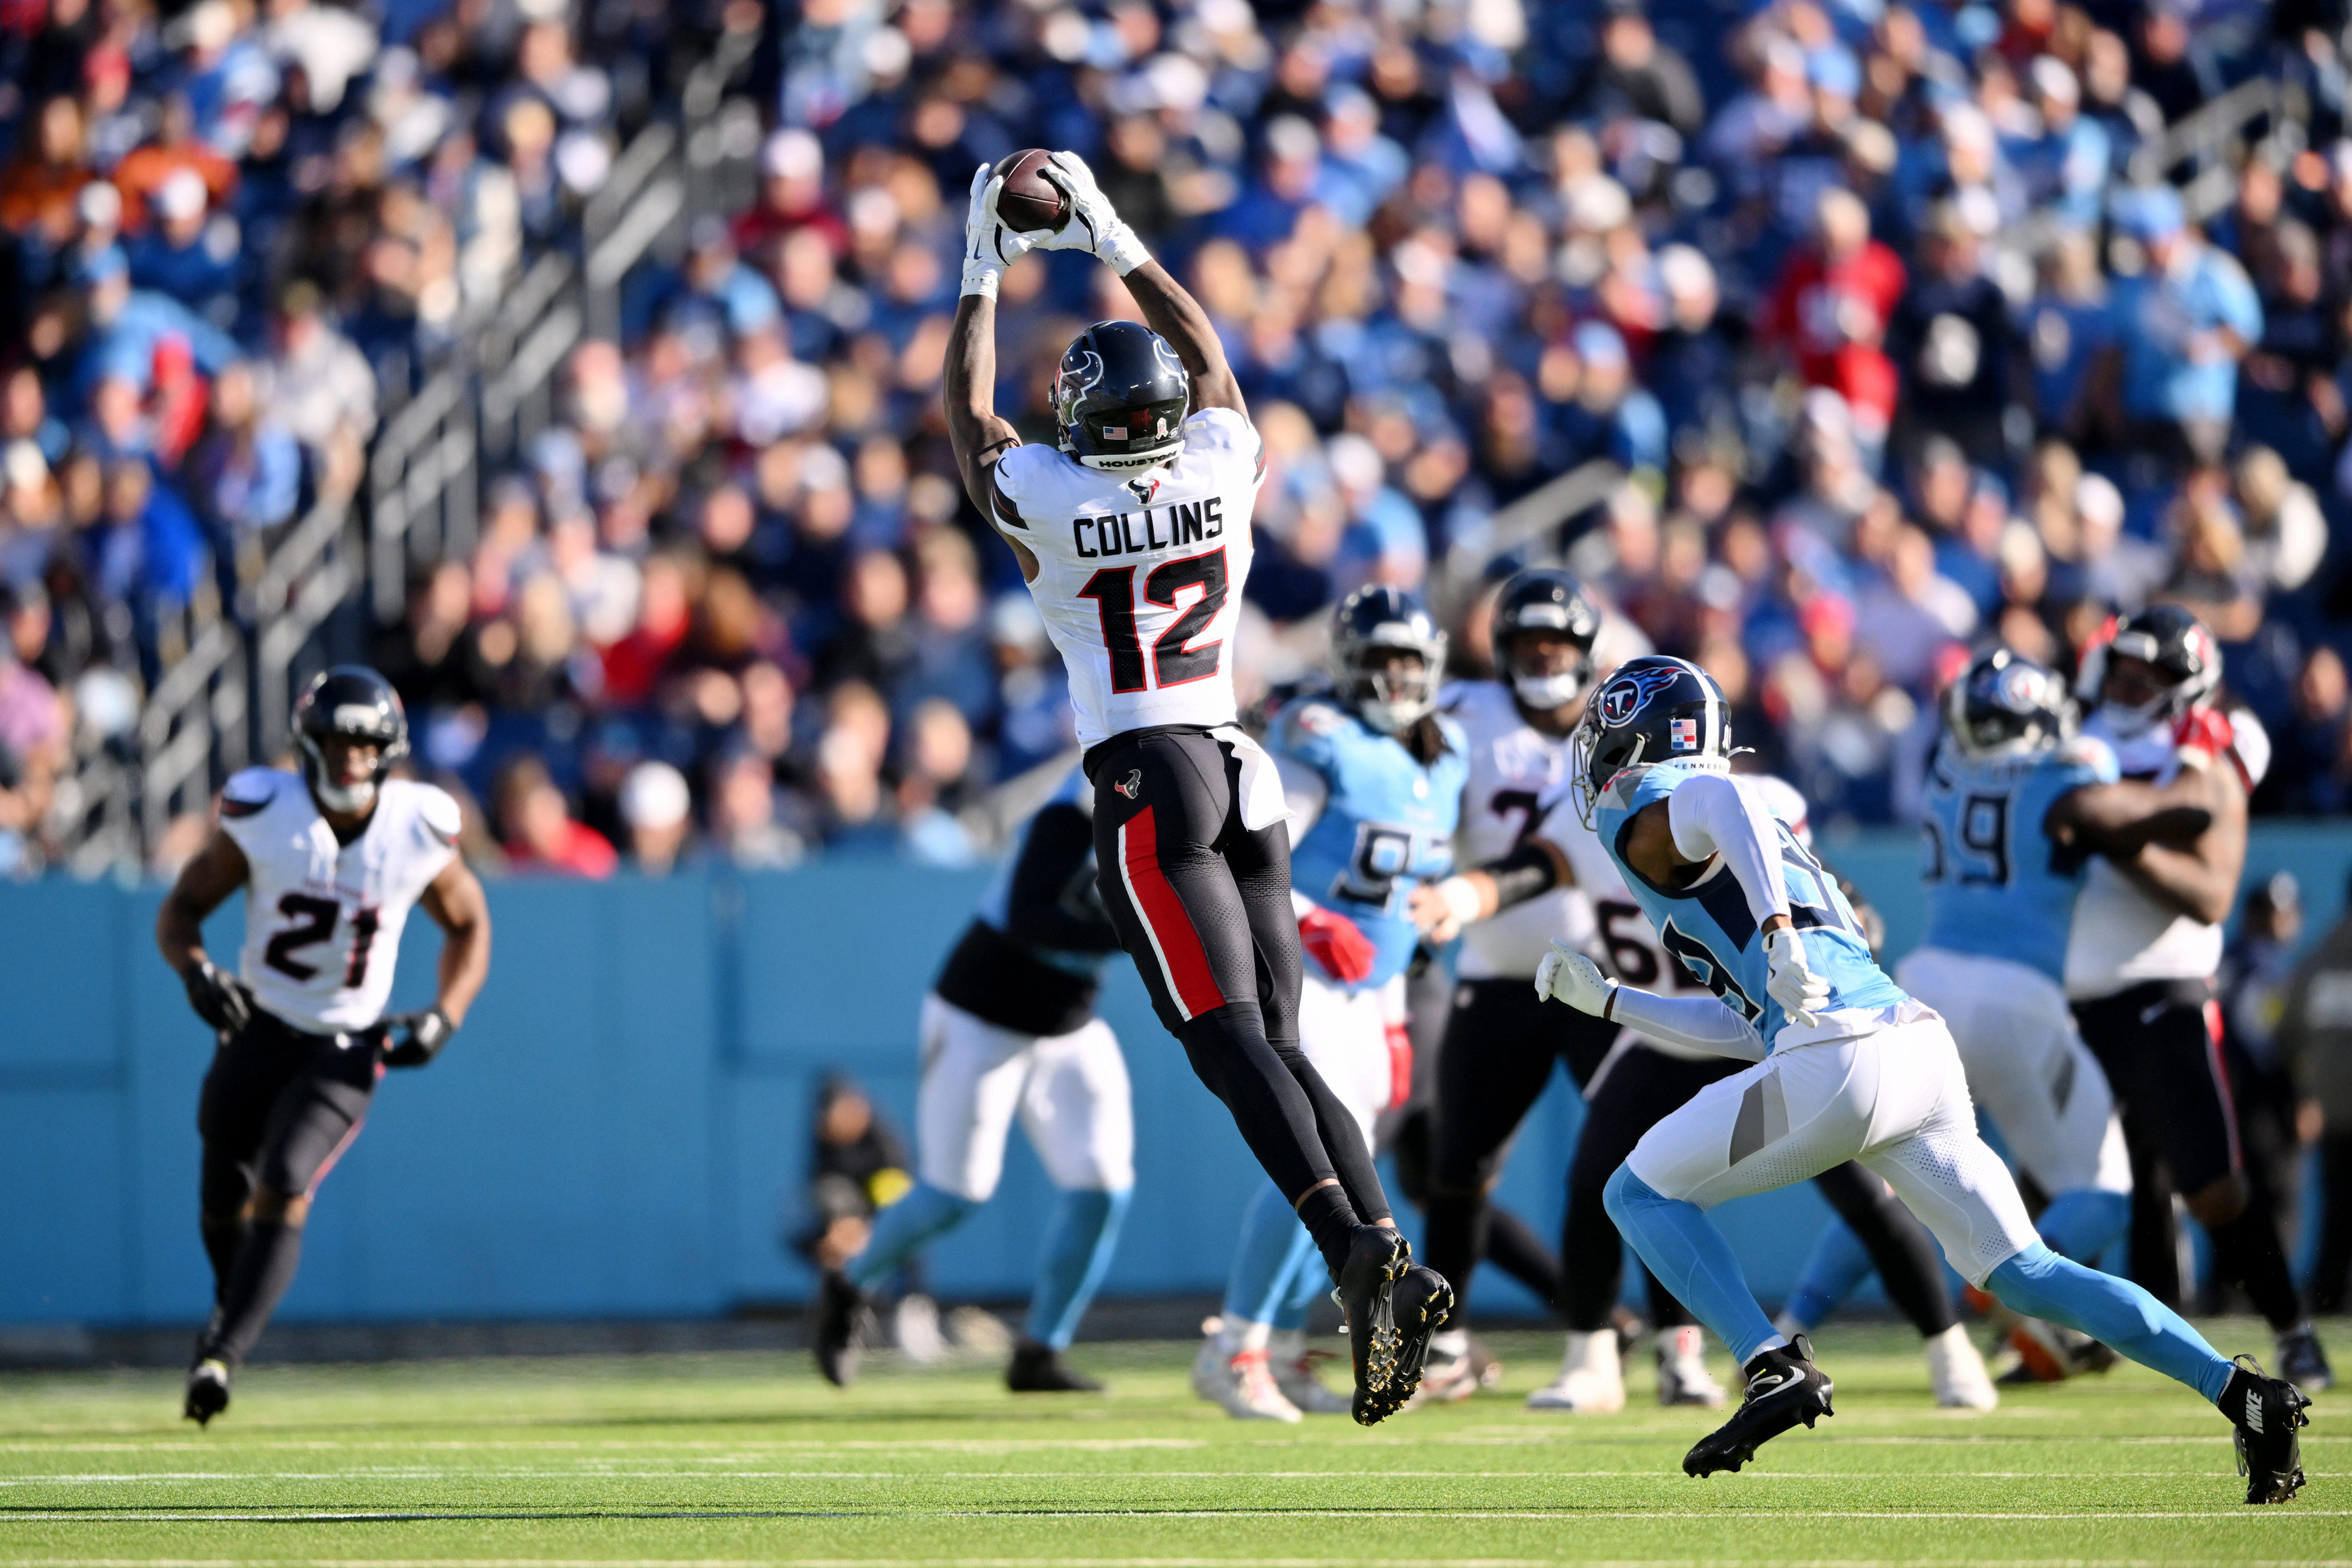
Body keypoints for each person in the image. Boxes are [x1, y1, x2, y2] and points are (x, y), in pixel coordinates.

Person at [1529, 655, 2311, 1502]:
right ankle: (2244, 1395)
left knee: (1636, 1195)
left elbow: (1725, 798)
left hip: (1840, 1057)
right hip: (1910, 1050)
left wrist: (1778, 927)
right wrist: (1613, 1003)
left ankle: (1767, 1364)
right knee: (2028, 1272)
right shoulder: (1754, 846)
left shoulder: (1657, 808)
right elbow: (1746, 1025)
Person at [942, 152, 1444, 1423]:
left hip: (1144, 771)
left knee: (1227, 1046)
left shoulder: (1051, 497)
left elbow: (970, 424)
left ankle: (1358, 1254)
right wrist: (1111, 227)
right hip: (1240, 760)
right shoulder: (1219, 460)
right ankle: (1378, 1241)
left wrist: (981, 270)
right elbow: (1210, 360)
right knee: (1275, 1040)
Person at [1421, 758, 1996, 1412]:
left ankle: (1949, 1345)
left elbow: (1811, 880)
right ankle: (1594, 1357)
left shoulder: (1743, 799)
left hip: (1764, 1024)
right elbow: (1531, 867)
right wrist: (1459, 897)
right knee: (1597, 1186)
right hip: (1664, 1028)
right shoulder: (1599, 822)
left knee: (1864, 1195)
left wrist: (1835, 916)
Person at [154, 667, 492, 1424]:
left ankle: (221, 1357)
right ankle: (228, 1306)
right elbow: (181, 908)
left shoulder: (418, 827)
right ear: (308, 742)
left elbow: (470, 922)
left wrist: (447, 1013)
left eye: (367, 745)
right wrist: (196, 970)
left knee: (284, 1179)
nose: (351, 758)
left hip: (345, 1042)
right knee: (222, 1196)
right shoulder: (263, 813)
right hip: (256, 1027)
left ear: (389, 752)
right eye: (338, 741)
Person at [1896, 648, 2216, 1380]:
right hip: (2018, 995)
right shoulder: (2074, 764)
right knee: (2101, 1191)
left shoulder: (1943, 769)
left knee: (1902, 1166)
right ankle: (1993, 1288)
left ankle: (1798, 1320)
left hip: (1922, 986)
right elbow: (2165, 814)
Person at [1193, 587, 1464, 1421]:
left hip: (1374, 994)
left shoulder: (1442, 756)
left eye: (1406, 662)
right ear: (1346, 664)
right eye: (1377, 659)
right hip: (1306, 987)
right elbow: (1243, 859)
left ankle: (1271, 1344)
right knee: (1311, 1176)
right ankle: (1234, 1344)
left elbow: (1410, 884)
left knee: (1341, 1177)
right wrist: (1312, 919)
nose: (1392, 677)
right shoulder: (1321, 743)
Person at [1405, 570, 1657, 1403]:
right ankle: (1445, 1342)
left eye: (1556, 645)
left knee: (1649, 1162)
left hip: (1600, 980)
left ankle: (1678, 1340)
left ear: (1587, 652)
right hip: (1497, 969)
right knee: (1457, 1167)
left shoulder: (1616, 720)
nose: (1542, 659)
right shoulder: (1460, 716)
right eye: (1526, 645)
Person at [2065, 606, 2331, 1389]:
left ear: (2185, 690)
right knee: (2074, 1185)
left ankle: (2292, 1328)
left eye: (2144, 678)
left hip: (2161, 993)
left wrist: (2113, 833)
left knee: (2210, 1189)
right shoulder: (2080, 740)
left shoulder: (2207, 753)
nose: (2123, 687)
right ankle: (2068, 1337)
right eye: (2118, 671)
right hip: (2073, 996)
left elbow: (2212, 894)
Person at [811, 767, 1135, 1394]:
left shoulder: (1180, 823)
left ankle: (1040, 1349)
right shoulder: (1070, 817)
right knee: (954, 1194)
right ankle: (848, 1284)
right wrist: (1145, 929)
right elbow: (1033, 918)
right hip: (983, 1013)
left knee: (1103, 1188)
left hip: (1068, 1023)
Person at [2276, 872, 2352, 1315]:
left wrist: (2307, 1094)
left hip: (2334, 1113)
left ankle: (2327, 1303)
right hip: (2336, 1112)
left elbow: (2288, 1033)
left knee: (2338, 1216)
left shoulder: (2319, 957)